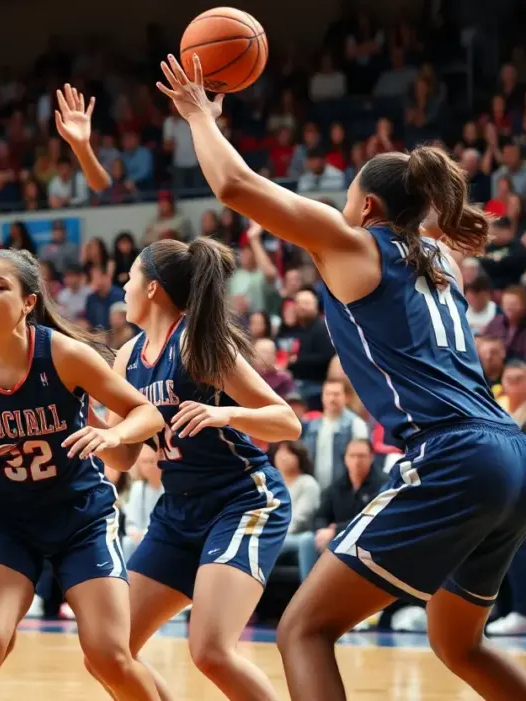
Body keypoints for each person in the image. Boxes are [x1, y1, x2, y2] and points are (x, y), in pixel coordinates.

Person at [158, 53, 526, 700]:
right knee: (458, 641)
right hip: (509, 453)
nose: (338, 206)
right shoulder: (438, 255)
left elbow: (235, 187)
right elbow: (427, 213)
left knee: (302, 628)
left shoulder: (356, 244)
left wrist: (197, 116)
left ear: (368, 206)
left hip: (451, 453)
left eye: (348, 196)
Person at [0, 248, 166, 701]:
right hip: (5, 522)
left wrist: (113, 437)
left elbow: (146, 413)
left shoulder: (63, 355)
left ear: (29, 302)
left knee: (109, 655)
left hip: (79, 517)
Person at [101, 237, 298, 701]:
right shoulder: (128, 357)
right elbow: (122, 458)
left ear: (151, 289)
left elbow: (286, 422)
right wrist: (87, 422)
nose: (123, 287)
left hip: (242, 501)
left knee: (210, 649)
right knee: (109, 650)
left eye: (129, 277)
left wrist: (228, 413)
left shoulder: (199, 343)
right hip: (178, 512)